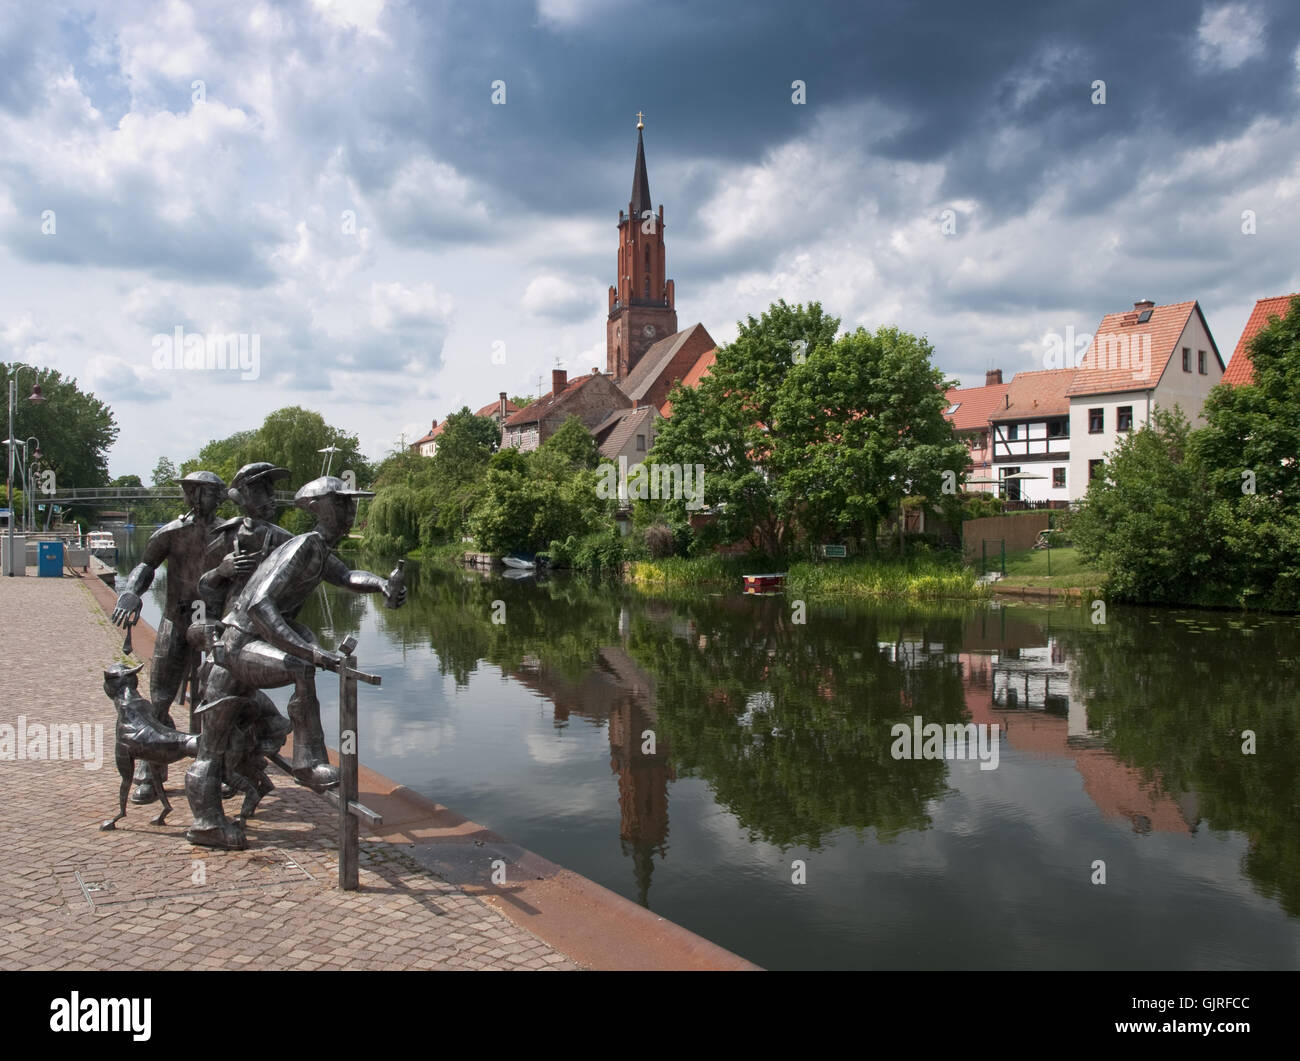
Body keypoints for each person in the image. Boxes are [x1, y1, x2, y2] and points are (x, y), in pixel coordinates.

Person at [185, 475, 405, 849]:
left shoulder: (317, 549)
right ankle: (307, 763)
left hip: (248, 649)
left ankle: (208, 824)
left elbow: (349, 576)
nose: (350, 512)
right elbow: (259, 606)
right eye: (341, 505)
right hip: (239, 646)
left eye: (351, 505)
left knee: (212, 743)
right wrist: (309, 651)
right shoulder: (303, 546)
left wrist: (382, 584)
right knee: (298, 669)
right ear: (321, 509)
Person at [110, 470, 225, 804]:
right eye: (209, 492)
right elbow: (146, 566)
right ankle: (151, 767)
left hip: (213, 620)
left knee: (216, 695)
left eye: (217, 493)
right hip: (177, 617)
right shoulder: (171, 533)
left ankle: (215, 766)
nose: (216, 498)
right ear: (192, 495)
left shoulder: (228, 533)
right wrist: (132, 591)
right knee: (160, 697)